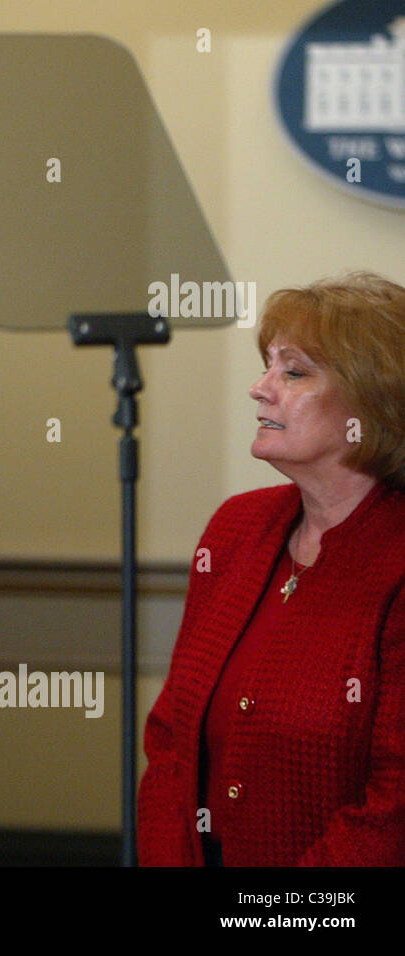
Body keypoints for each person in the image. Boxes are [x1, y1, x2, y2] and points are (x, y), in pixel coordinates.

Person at [138, 272, 405, 866]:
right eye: (268, 366)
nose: (260, 388)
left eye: (294, 371)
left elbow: (392, 815)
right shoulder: (238, 530)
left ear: (375, 398)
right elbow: (171, 746)